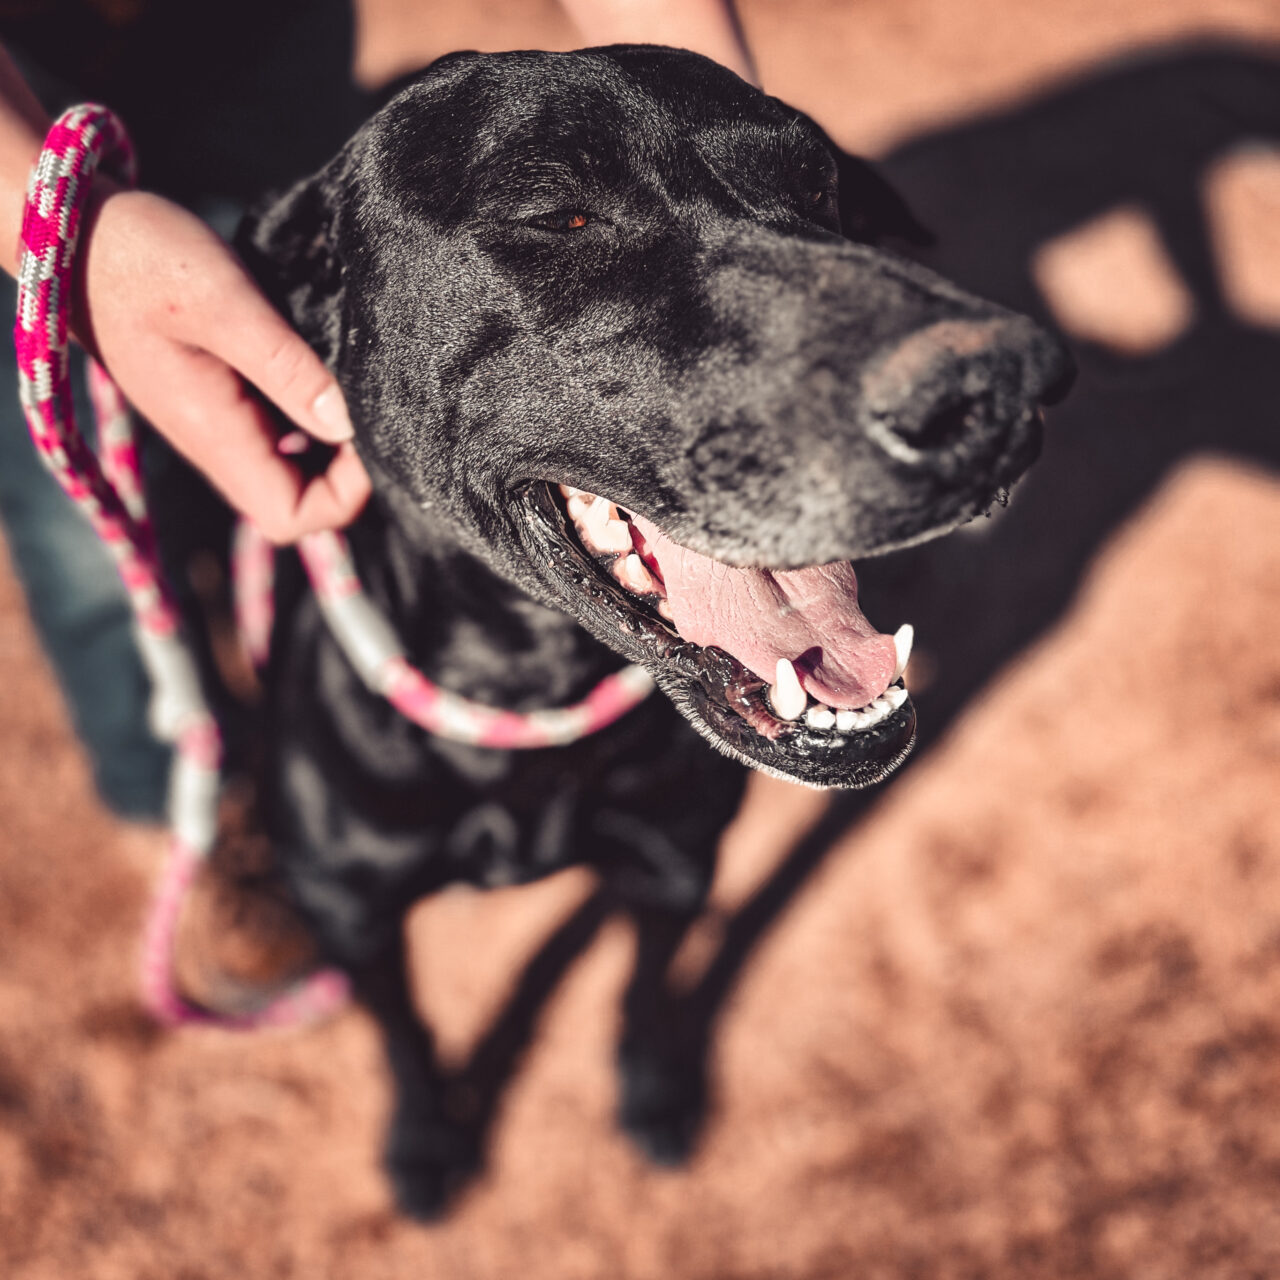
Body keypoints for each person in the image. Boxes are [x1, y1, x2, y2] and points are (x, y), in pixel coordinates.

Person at [0, 0, 756, 817]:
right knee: (83, 549)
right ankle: (190, 805)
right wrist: (46, 223)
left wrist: (740, 183)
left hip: (257, 40)